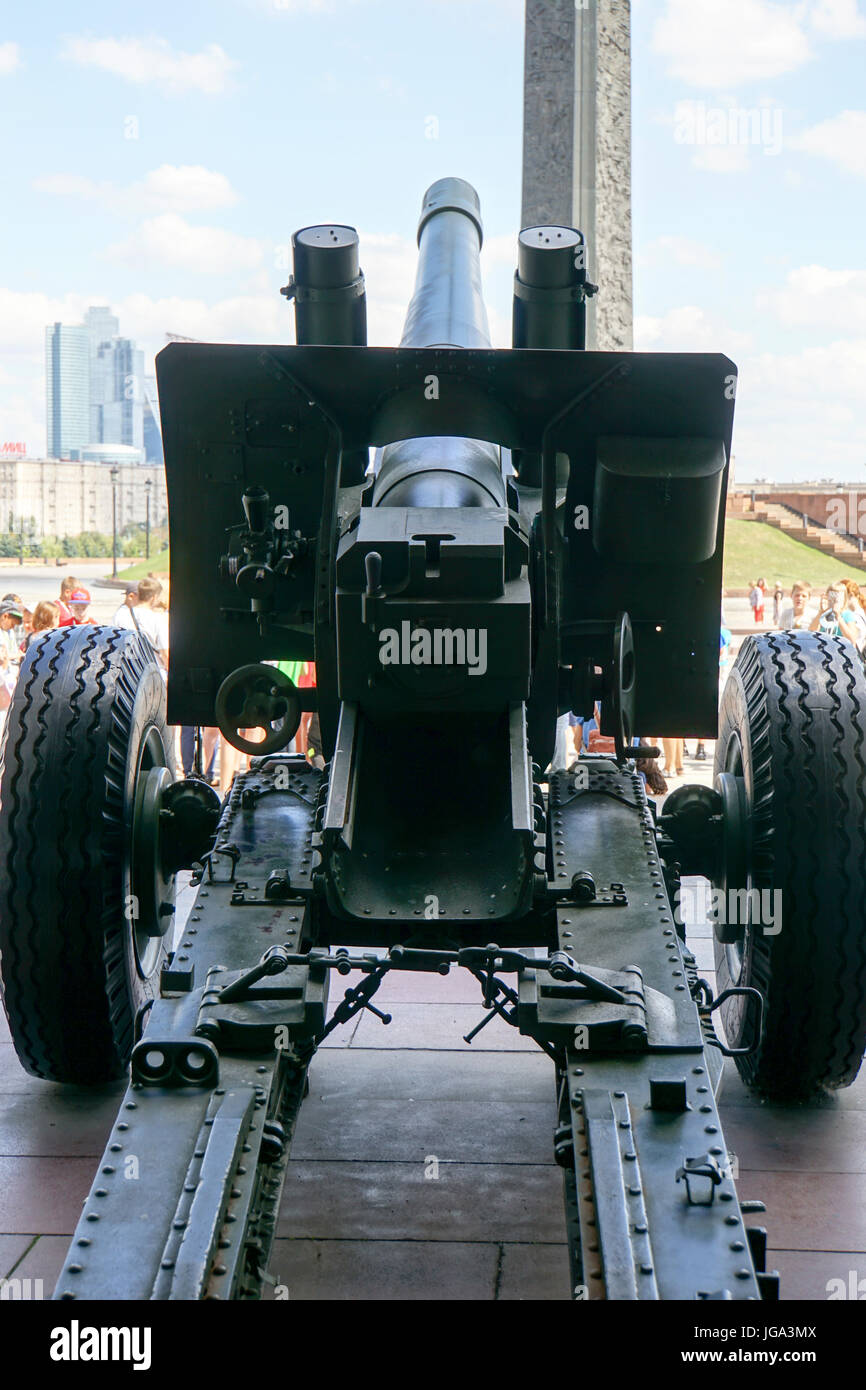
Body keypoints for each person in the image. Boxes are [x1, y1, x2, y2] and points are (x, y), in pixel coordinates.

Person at [131, 578, 168, 669]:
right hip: (151, 670)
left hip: (129, 671)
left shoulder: (121, 615)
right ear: (154, 597)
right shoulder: (157, 619)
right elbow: (165, 653)